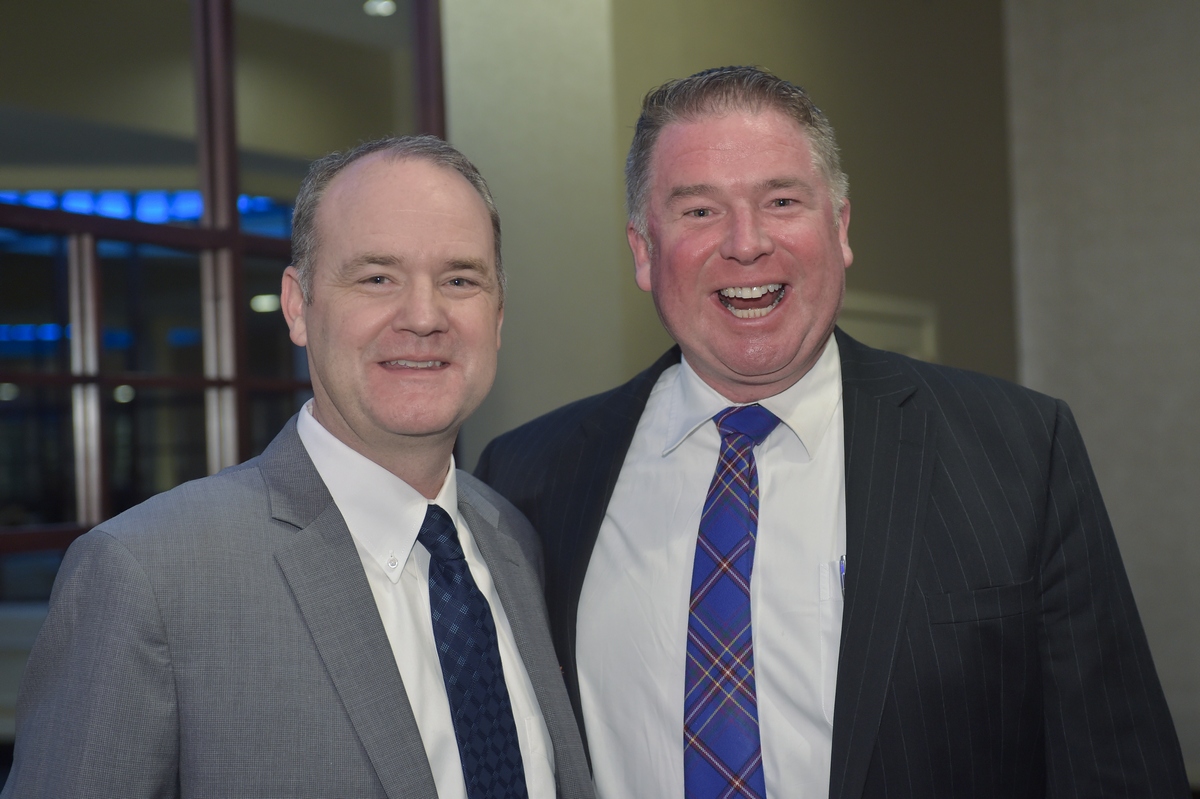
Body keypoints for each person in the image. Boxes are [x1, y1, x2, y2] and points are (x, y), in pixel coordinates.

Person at [475, 67, 1189, 798]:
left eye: (781, 200)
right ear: (644, 251)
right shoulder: (527, 479)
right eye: (698, 212)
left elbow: (1118, 768)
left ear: (840, 228)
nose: (746, 244)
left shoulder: (1018, 452)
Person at [3, 136, 593, 799]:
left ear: (498, 313)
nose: (425, 316)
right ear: (297, 305)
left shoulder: (513, 538)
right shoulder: (147, 576)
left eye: (459, 279)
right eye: (377, 277)